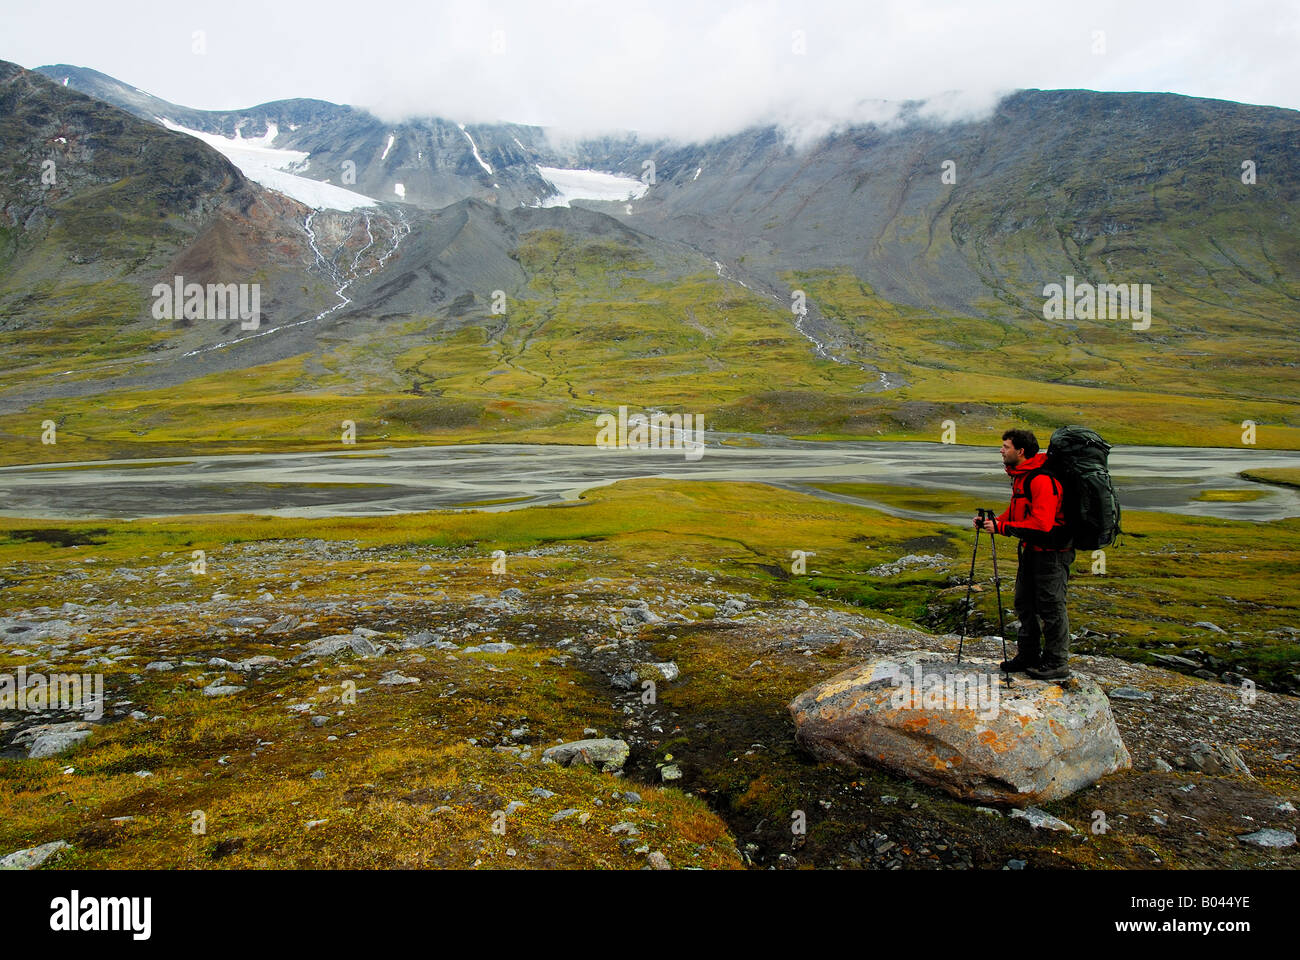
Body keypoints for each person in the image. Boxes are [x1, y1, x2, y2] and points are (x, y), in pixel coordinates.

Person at [974, 429, 1075, 681]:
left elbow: (1043, 523)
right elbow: (1017, 511)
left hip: (1052, 553)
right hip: (1032, 550)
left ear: (1020, 451)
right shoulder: (1022, 477)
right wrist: (995, 521)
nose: (1001, 450)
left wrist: (1002, 528)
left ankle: (1056, 663)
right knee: (1024, 603)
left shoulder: (1040, 480)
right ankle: (1028, 655)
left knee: (1051, 608)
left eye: (1006, 446)